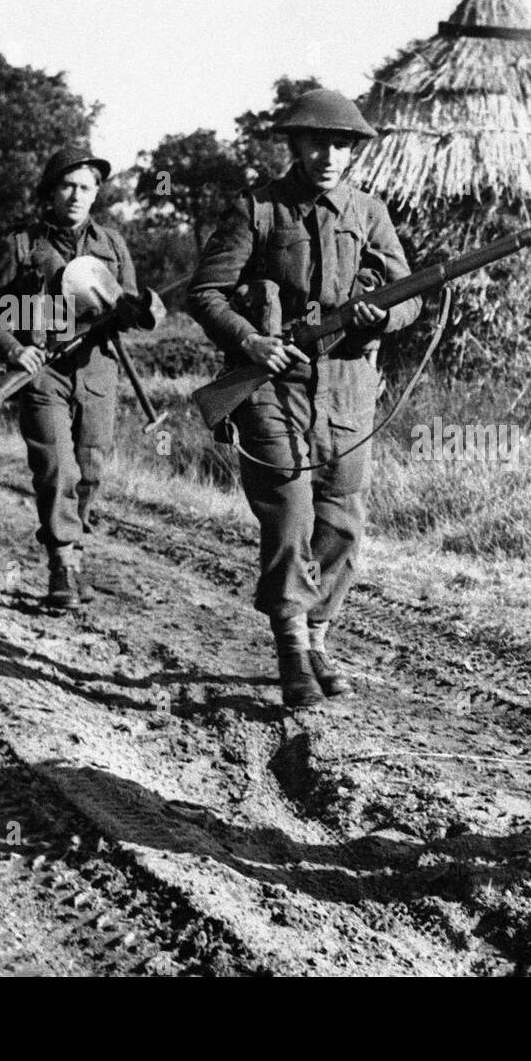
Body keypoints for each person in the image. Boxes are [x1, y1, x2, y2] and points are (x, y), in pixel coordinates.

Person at [188, 89, 416, 709]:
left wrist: (378, 320)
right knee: (291, 515)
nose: (329, 156)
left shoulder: (369, 213)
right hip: (270, 387)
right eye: (317, 143)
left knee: (342, 522)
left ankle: (317, 636)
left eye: (341, 145)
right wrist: (253, 343)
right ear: (294, 145)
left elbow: (411, 295)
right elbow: (206, 294)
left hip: (346, 390)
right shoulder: (257, 210)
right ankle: (290, 645)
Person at [0, 146, 142, 611]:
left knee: (90, 470)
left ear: (95, 196)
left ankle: (73, 546)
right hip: (42, 370)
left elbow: (130, 305)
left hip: (97, 370)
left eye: (85, 188)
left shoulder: (112, 245)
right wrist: (14, 349)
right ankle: (63, 563)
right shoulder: (20, 246)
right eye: (67, 185)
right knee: (57, 468)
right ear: (51, 192)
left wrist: (136, 309)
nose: (75, 195)